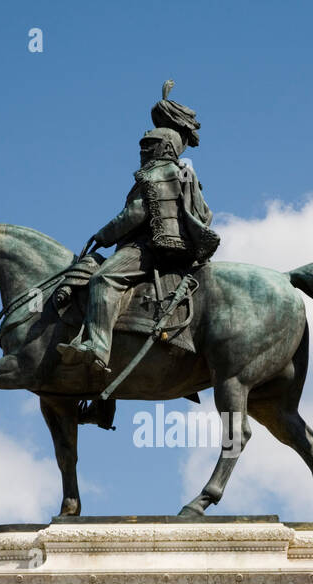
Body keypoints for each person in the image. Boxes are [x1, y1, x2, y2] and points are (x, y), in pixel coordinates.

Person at [57, 83, 218, 372]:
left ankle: (97, 348)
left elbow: (134, 214)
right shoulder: (184, 174)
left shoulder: (156, 174)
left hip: (148, 248)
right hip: (173, 248)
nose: (143, 152)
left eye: (149, 146)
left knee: (103, 280)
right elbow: (204, 214)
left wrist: (102, 235)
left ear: (165, 147)